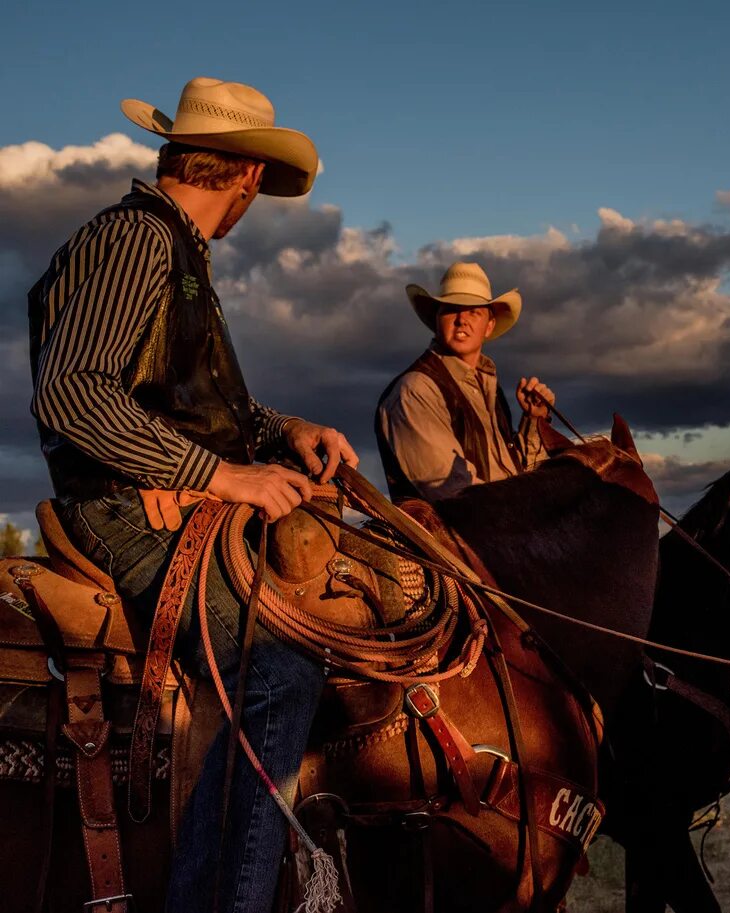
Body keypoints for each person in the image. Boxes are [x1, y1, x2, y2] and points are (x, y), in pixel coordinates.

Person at [28, 77, 355, 913]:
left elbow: (193, 404)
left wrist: (284, 432)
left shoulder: (175, 252)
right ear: (246, 174)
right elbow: (72, 393)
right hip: (127, 511)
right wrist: (226, 476)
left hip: (167, 502)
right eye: (259, 181)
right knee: (280, 668)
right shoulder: (137, 238)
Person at [375, 261, 556, 502]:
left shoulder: (488, 387)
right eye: (451, 309)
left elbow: (519, 475)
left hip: (506, 529)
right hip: (451, 537)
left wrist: (534, 420)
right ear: (436, 319)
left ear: (489, 326)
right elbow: (456, 495)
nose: (462, 320)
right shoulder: (416, 390)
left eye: (474, 311)